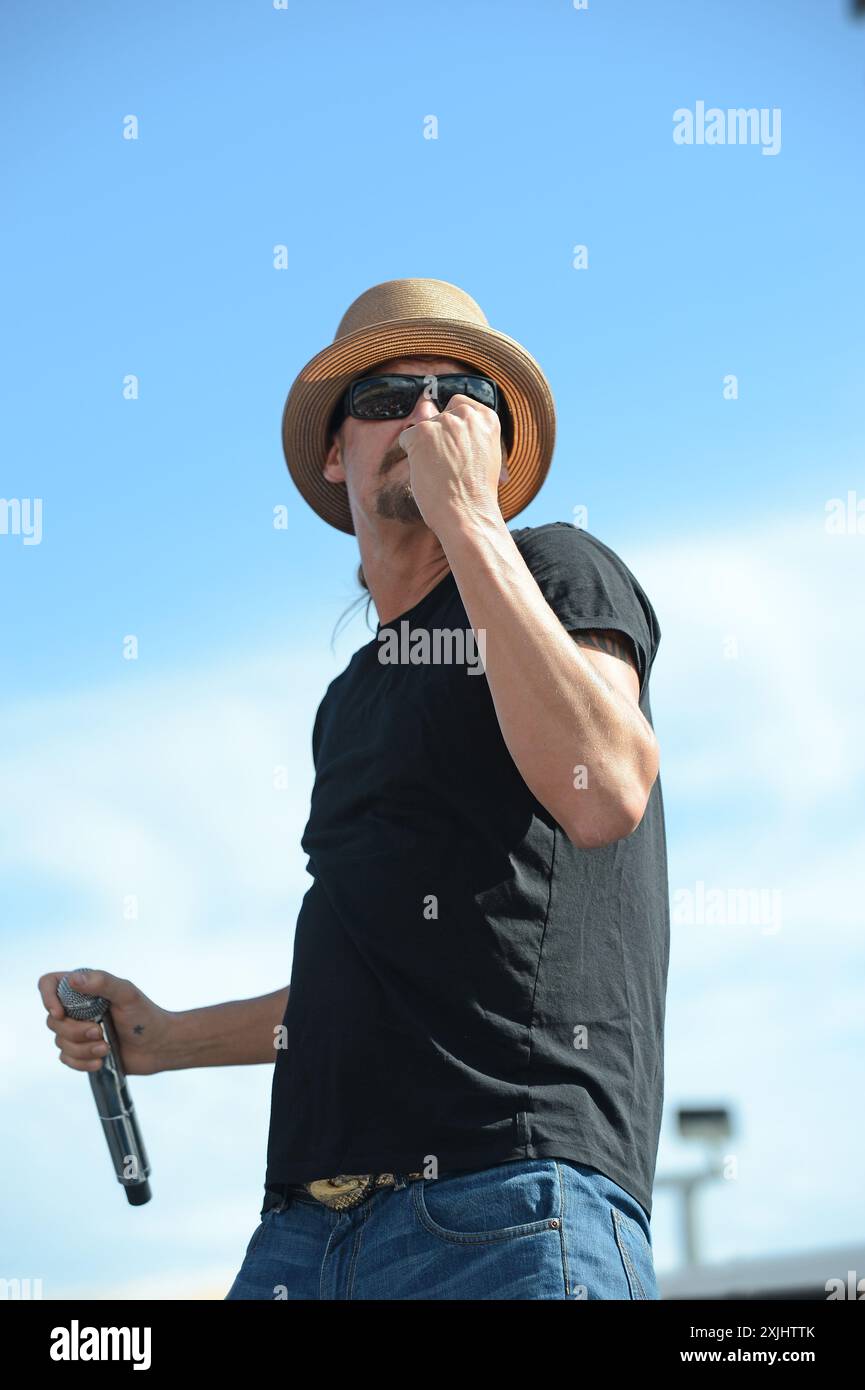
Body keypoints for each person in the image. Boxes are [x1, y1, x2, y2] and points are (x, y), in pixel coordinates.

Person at [39, 278, 670, 1300]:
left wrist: (472, 521)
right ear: (337, 452)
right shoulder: (348, 703)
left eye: (456, 395)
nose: (420, 416)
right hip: (301, 1239)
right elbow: (363, 988)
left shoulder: (557, 573)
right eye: (385, 398)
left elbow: (603, 789)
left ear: (493, 450)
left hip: (505, 1205)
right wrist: (164, 1037)